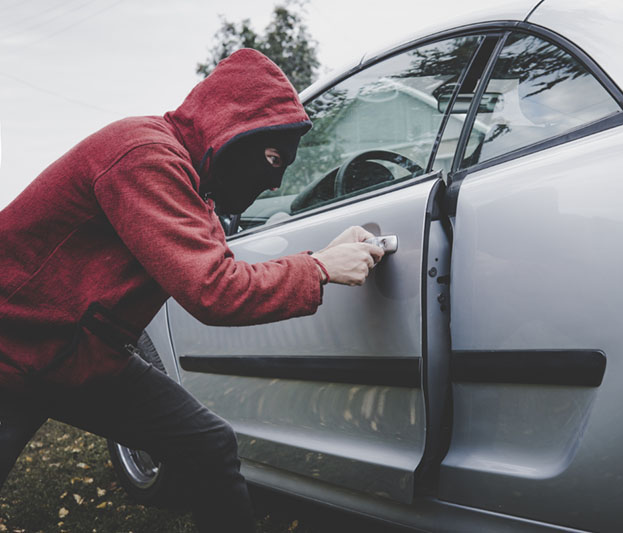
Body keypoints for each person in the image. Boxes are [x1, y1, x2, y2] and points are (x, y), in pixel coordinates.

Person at [0, 48, 384, 532]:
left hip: (80, 358)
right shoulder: (144, 156)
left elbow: (223, 267)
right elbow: (214, 290)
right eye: (272, 159)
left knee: (206, 444)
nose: (275, 181)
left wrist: (322, 256)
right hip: (12, 353)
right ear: (234, 128)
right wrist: (319, 269)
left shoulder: (190, 187)